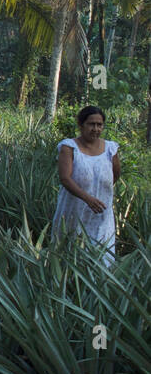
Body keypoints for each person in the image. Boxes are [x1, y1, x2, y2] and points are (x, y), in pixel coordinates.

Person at [53, 105, 121, 266]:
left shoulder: (111, 149)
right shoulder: (69, 147)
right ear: (81, 125)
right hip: (73, 213)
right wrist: (88, 198)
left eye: (99, 125)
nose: (95, 129)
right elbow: (65, 178)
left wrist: (100, 193)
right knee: (70, 260)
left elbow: (115, 174)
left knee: (103, 261)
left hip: (102, 216)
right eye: (91, 124)